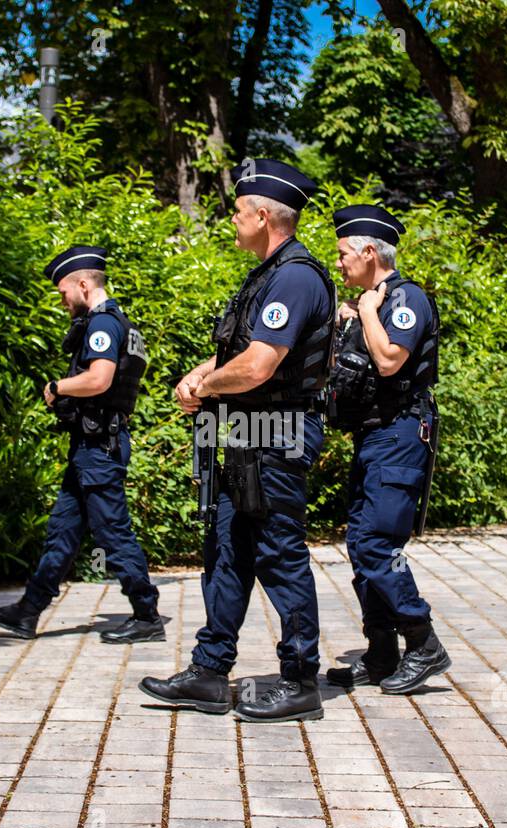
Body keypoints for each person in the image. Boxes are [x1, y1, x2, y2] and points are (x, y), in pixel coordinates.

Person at [139, 159, 336, 721]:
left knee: (279, 555)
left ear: (265, 216)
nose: (231, 219)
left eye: (238, 211)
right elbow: (237, 354)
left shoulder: (295, 276)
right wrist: (201, 372)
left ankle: (300, 682)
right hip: (252, 437)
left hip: (278, 435)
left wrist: (206, 383)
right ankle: (208, 672)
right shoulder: (267, 275)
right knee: (228, 552)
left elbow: (257, 366)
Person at [0, 245, 163, 644]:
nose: (62, 302)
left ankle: (146, 614)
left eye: (63, 293)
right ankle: (28, 611)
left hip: (100, 448)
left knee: (113, 532)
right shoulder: (114, 323)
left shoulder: (103, 325)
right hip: (90, 447)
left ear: (83, 284)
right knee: (62, 531)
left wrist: (56, 386)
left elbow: (99, 379)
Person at [323, 205, 451, 693]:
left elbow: (391, 360)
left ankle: (423, 644)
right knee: (361, 543)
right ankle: (380, 654)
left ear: (369, 251)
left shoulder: (405, 299)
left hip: (400, 435)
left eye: (342, 254)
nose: (338, 263)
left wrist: (370, 313)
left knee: (378, 544)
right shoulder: (363, 305)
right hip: (373, 437)